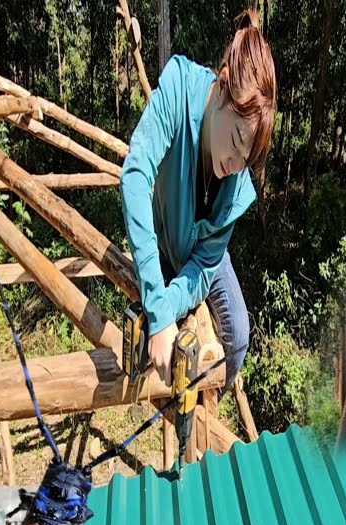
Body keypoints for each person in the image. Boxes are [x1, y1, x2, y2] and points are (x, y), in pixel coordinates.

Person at [121, 10, 277, 387]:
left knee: (238, 336)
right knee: (147, 347)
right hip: (162, 239)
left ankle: (205, 403)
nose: (237, 164)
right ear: (222, 87)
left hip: (199, 255)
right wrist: (159, 311)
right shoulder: (179, 88)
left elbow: (204, 267)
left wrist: (166, 306)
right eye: (238, 141)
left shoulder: (237, 182)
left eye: (248, 158)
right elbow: (135, 176)